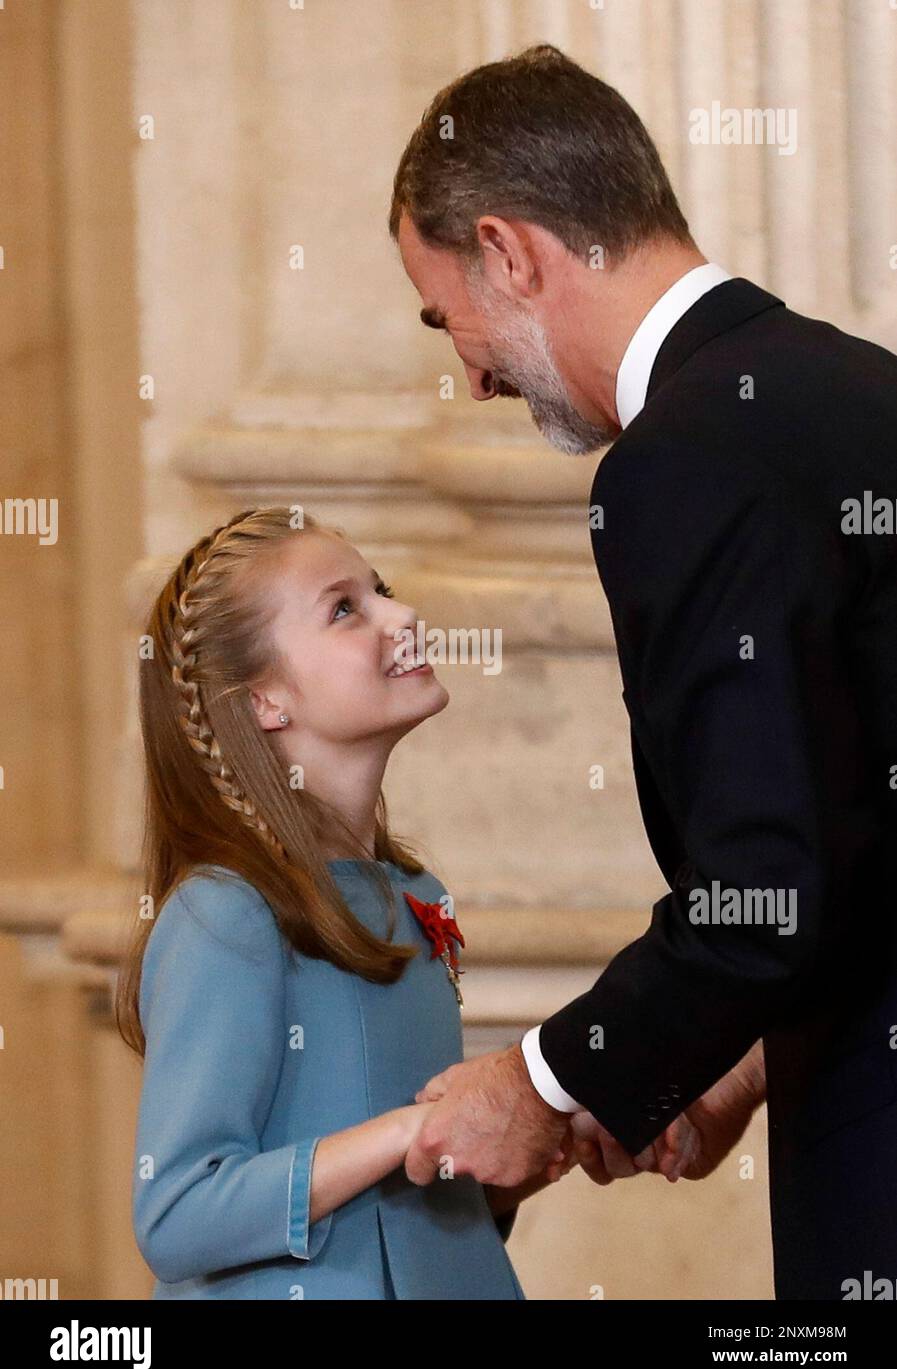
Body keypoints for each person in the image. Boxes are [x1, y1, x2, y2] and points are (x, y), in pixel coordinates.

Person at [389, 43, 897, 1299]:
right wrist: (731, 1061)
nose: (470, 373)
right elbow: (861, 833)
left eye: (446, 315)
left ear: (509, 251)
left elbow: (763, 885)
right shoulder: (856, 386)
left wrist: (541, 1081)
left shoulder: (682, 463)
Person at [118, 505, 579, 1299]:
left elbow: (396, 1207)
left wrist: (527, 1147)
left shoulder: (414, 896)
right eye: (345, 609)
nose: (402, 617)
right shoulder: (225, 916)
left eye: (382, 591)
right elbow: (177, 1214)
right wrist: (413, 1128)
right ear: (264, 699)